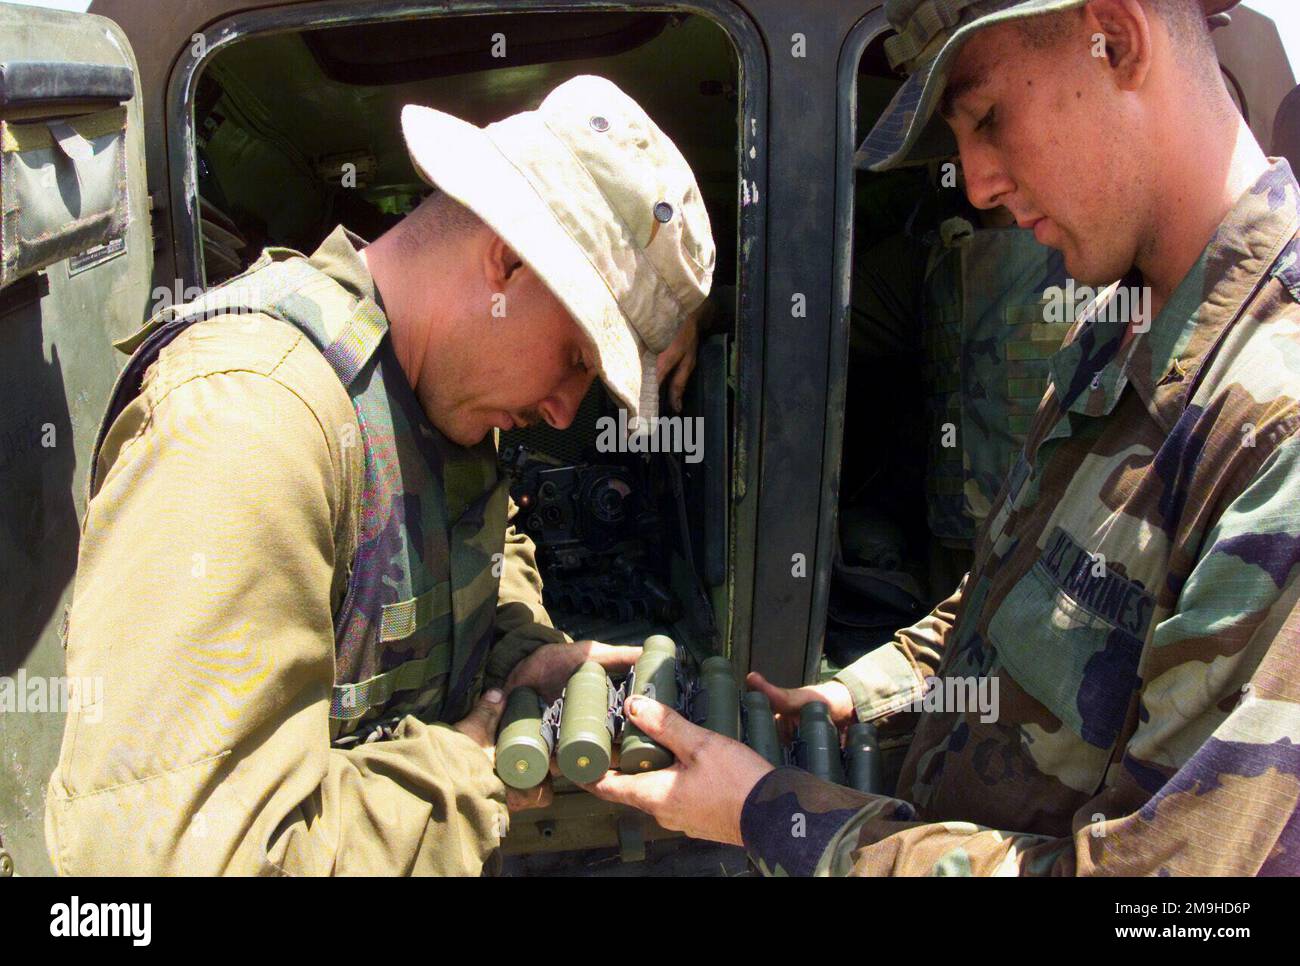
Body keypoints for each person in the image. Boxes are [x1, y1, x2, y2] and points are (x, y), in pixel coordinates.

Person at [589, 0, 1300, 876]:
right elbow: (1004, 603)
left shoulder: (1276, 429)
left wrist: (776, 817)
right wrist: (854, 698)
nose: (975, 185)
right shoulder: (1122, 329)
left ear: (1116, 38)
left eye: (988, 118)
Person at [44, 75, 714, 875]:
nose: (566, 412)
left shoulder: (433, 393)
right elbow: (171, 861)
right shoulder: (250, 422)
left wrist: (517, 659)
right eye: (576, 358)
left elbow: (469, 544)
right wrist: (468, 775)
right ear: (507, 263)